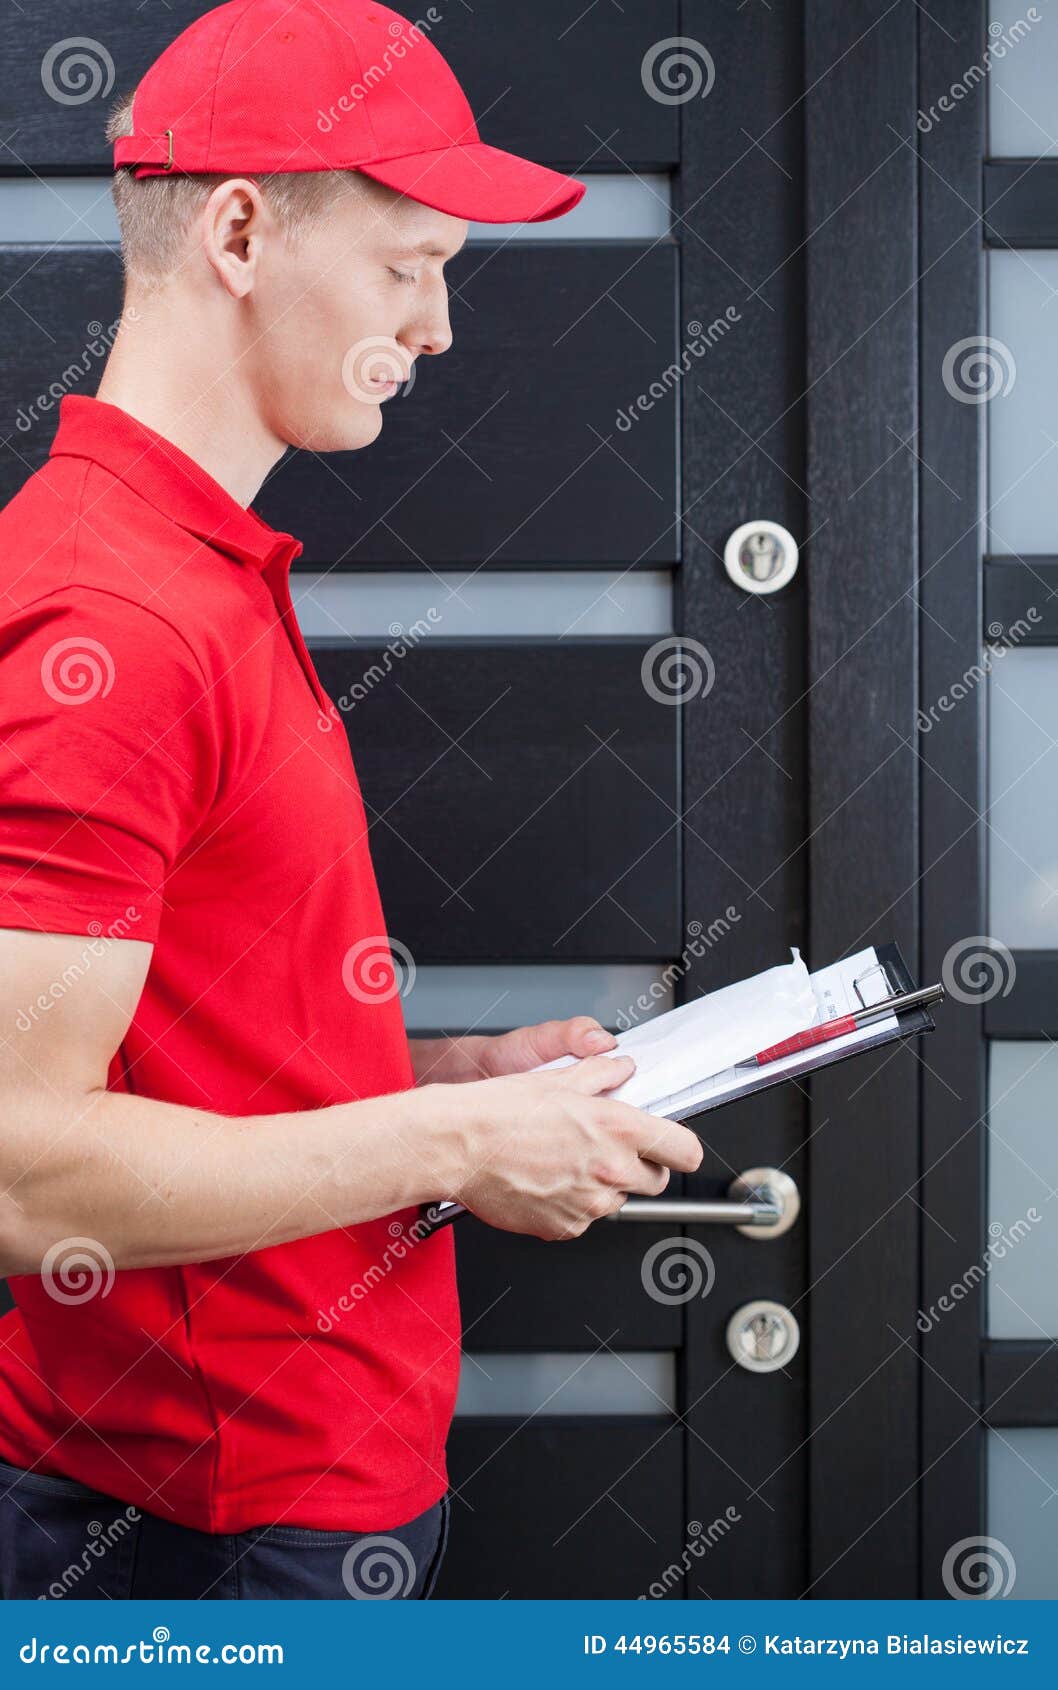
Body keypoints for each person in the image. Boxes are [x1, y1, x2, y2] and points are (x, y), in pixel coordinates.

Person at [0, 0, 702, 1600]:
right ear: (239, 230)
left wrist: (454, 1070)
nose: (441, 327)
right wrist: (457, 1137)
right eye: (409, 267)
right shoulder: (109, 621)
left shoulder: (193, 568)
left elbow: (182, 1037)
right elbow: (22, 1170)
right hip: (206, 1534)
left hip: (281, 1493)